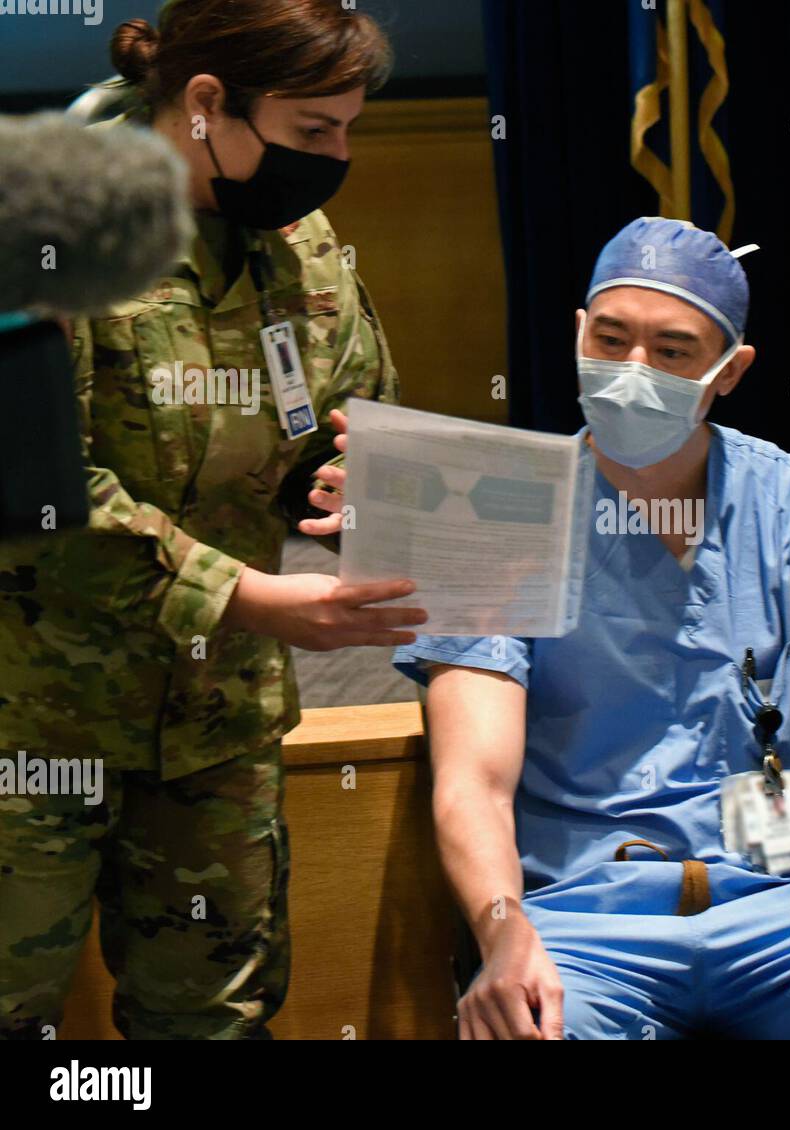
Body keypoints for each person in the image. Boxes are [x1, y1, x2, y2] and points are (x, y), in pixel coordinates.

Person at [371, 217, 790, 1039]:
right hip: (582, 929)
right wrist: (502, 931)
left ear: (732, 371)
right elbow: (472, 781)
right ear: (577, 332)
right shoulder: (502, 519)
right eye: (611, 339)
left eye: (673, 352)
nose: (631, 373)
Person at [0, 0, 426, 1040]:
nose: (334, 160)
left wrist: (338, 482)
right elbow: (44, 493)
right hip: (37, 717)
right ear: (204, 105)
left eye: (349, 131)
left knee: (214, 1018)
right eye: (312, 132)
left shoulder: (297, 240)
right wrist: (245, 592)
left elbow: (345, 411)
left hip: (215, 722)